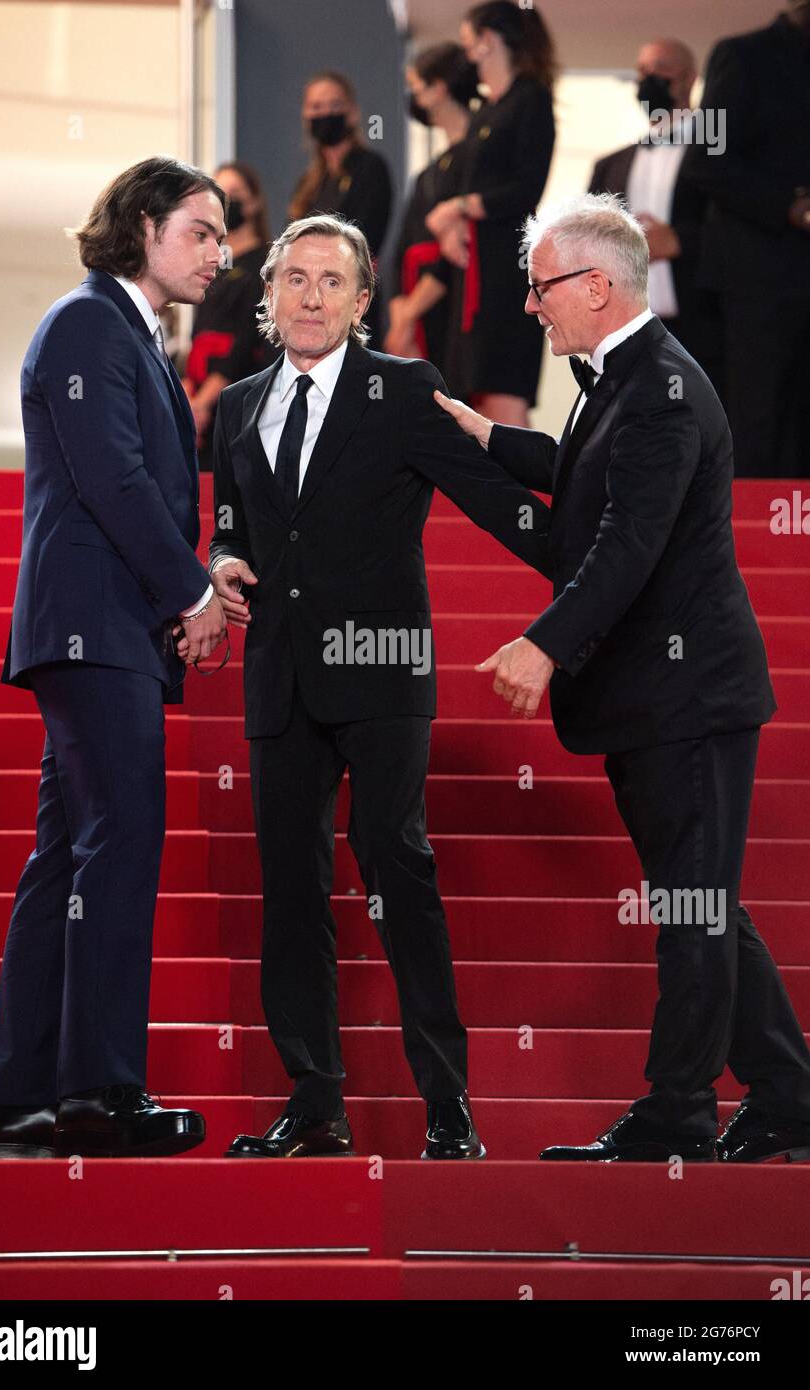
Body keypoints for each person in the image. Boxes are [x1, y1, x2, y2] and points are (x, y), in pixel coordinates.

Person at [437, 192, 810, 1164]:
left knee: (690, 910)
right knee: (701, 903)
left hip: (690, 700)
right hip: (664, 699)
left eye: (539, 286)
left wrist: (543, 642)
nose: (529, 307)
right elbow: (578, 473)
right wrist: (481, 438)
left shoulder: (661, 388)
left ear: (595, 285)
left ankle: (677, 1111)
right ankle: (787, 1096)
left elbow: (625, 541)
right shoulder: (621, 376)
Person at [207, 212, 552, 1160]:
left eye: (332, 281)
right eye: (295, 279)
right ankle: (315, 1101)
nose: (310, 296)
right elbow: (232, 521)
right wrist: (223, 558)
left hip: (382, 666)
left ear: (363, 302)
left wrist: (588, 574)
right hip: (280, 672)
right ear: (269, 295)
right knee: (291, 887)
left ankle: (448, 1105)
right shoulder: (236, 406)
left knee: (397, 866)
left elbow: (493, 500)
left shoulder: (403, 390)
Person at [0, 157, 228, 1160]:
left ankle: (27, 1097)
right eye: (203, 231)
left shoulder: (125, 330)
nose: (221, 252)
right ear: (142, 223)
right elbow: (115, 482)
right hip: (95, 626)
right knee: (119, 841)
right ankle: (98, 1089)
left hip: (99, 627)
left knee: (68, 857)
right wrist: (196, 590)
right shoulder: (90, 322)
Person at [387, 2, 555, 425]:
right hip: (472, 270)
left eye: (467, 43)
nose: (464, 55)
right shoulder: (489, 111)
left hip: (503, 268)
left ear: (488, 41)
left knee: (502, 399)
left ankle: (526, 490)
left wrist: (458, 208)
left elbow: (526, 187)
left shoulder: (530, 97)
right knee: (476, 404)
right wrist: (454, 221)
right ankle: (498, 489)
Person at [683, 0, 810, 477]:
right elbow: (705, 159)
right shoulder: (741, 55)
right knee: (762, 413)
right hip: (759, 278)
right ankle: (757, 540)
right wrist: (791, 206)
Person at [588, 37, 723, 393]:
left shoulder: (718, 155)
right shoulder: (610, 165)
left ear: (690, 78)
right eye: (642, 71)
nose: (649, 79)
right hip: (630, 329)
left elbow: (738, 229)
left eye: (661, 69)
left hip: (706, 325)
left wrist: (681, 241)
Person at [385, 43, 479, 382]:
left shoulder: (477, 155)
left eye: (416, 85)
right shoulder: (427, 173)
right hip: (415, 304)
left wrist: (410, 314)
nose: (412, 95)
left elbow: (457, 247)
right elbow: (401, 248)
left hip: (454, 303)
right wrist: (399, 313)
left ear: (438, 88)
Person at [182, 161, 279, 469]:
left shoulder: (267, 265)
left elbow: (244, 340)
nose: (228, 202)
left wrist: (202, 403)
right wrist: (185, 396)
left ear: (254, 201)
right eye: (221, 194)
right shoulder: (211, 266)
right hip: (199, 401)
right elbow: (196, 336)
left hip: (238, 404)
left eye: (236, 193)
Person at [289, 70, 392, 338]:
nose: (325, 114)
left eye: (334, 105)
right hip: (308, 307)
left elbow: (364, 240)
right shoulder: (309, 183)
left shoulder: (369, 167)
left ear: (353, 113)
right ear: (305, 116)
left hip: (351, 303)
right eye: (316, 107)